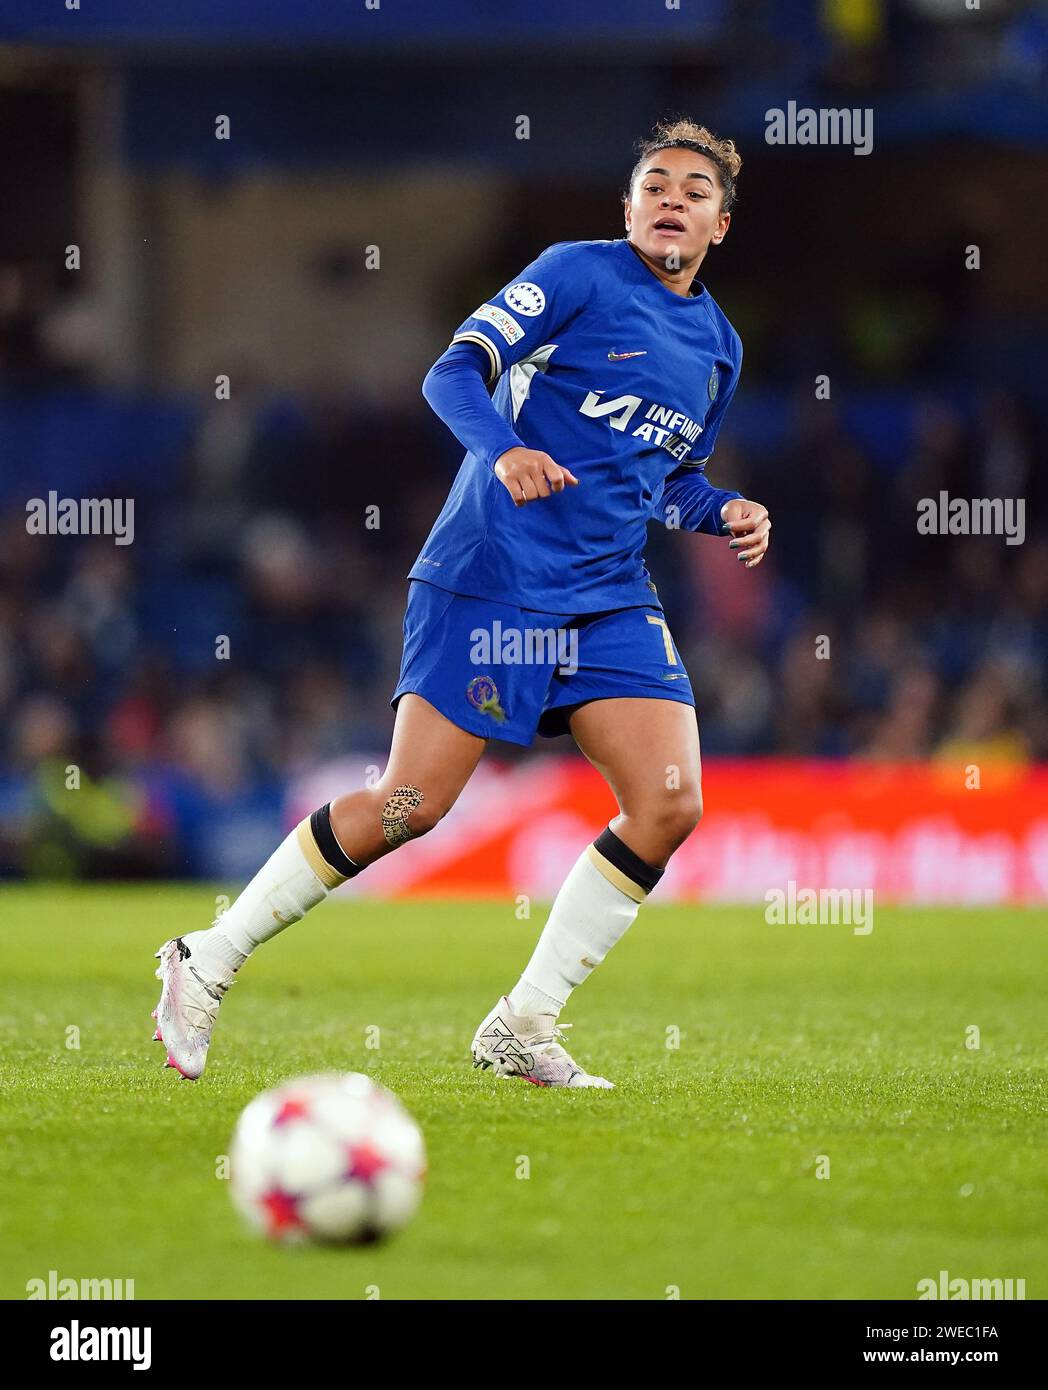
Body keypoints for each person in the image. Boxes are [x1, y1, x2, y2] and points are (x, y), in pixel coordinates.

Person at [152, 118, 772, 1088]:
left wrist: (722, 505)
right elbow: (451, 372)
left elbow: (667, 479)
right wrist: (506, 448)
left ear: (720, 225)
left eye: (693, 190)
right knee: (408, 804)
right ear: (627, 205)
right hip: (493, 572)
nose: (670, 200)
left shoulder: (719, 348)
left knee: (669, 801)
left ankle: (523, 1023)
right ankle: (209, 955)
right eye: (654, 183)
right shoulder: (574, 272)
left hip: (608, 593)